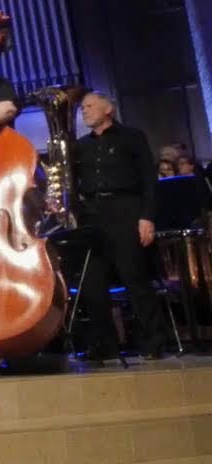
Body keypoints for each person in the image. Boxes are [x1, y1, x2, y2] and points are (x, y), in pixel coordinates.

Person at [73, 92, 165, 360]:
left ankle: (153, 341)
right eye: (82, 108)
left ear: (108, 108)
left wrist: (147, 216)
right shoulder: (81, 146)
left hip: (126, 210)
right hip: (93, 215)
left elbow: (149, 179)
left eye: (89, 106)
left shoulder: (132, 137)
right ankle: (104, 343)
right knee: (92, 282)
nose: (85, 111)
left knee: (134, 278)